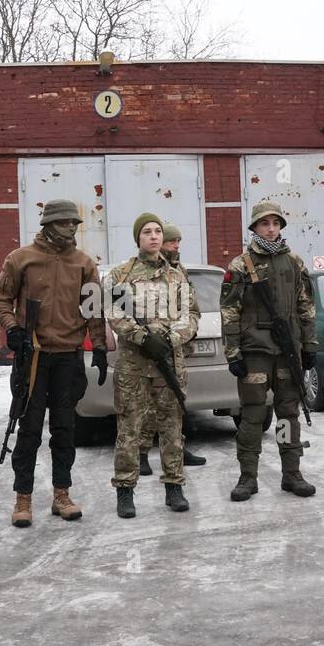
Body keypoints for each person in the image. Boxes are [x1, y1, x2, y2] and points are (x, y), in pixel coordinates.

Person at [0, 199, 107, 527]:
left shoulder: (84, 263)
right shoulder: (21, 259)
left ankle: (61, 494)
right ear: (49, 224)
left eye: (75, 223)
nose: (72, 228)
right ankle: (22, 498)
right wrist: (12, 328)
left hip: (68, 358)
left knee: (65, 429)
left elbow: (93, 308)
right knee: (28, 430)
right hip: (34, 357)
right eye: (65, 222)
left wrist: (98, 347)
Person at [220, 200, 318, 502]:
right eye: (265, 223)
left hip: (288, 351)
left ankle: (291, 475)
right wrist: (233, 352)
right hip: (255, 353)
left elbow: (306, 307)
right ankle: (247, 477)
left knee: (288, 415)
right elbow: (229, 311)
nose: (271, 228)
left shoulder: (295, 262)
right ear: (255, 227)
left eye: (276, 223)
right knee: (252, 416)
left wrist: (310, 345)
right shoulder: (240, 265)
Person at [108, 213, 199, 518]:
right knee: (129, 428)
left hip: (169, 363)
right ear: (138, 238)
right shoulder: (121, 274)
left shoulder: (177, 275)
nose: (154, 236)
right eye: (146, 231)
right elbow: (114, 313)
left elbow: (192, 314)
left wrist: (171, 338)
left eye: (158, 231)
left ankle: (174, 486)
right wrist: (142, 338)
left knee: (172, 427)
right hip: (133, 365)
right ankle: (125, 490)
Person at [139, 221, 207, 474]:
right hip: (150, 351)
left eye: (178, 241)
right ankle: (142, 452)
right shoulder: (144, 272)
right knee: (148, 407)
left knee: (176, 401)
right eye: (171, 241)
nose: (176, 246)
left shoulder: (180, 271)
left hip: (176, 348)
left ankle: (178, 448)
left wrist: (182, 335)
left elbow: (191, 307)